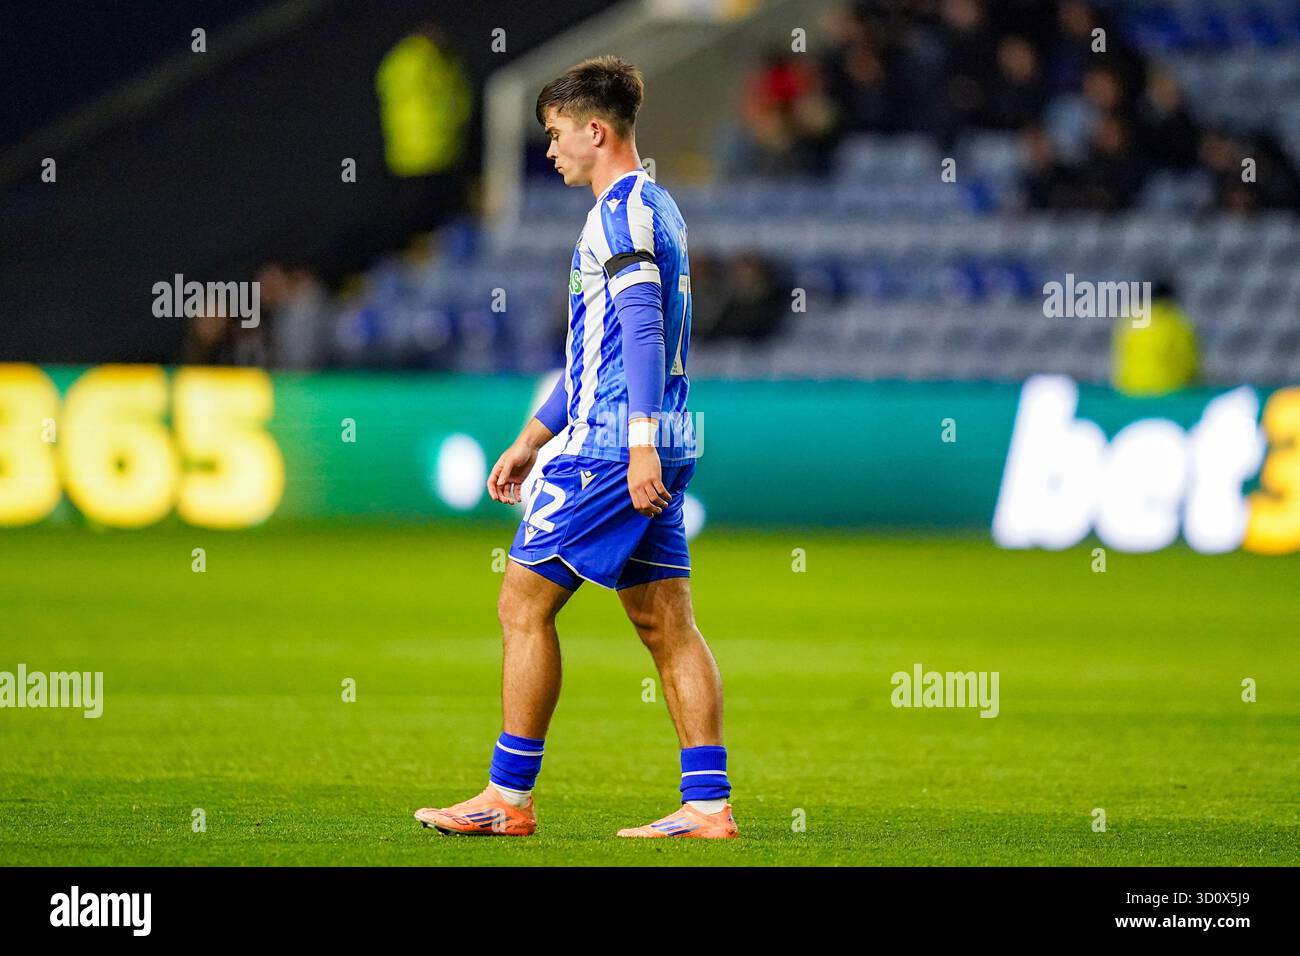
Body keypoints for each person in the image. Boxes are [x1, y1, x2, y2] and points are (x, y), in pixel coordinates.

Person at [414, 56, 735, 839]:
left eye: (556, 134)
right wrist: (532, 435)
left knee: (521, 603)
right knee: (667, 623)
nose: (550, 150)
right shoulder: (659, 207)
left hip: (614, 445)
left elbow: (646, 334)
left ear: (596, 130)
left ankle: (507, 798)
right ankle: (707, 805)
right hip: (650, 433)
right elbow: (604, 345)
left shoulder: (616, 216)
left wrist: (637, 445)